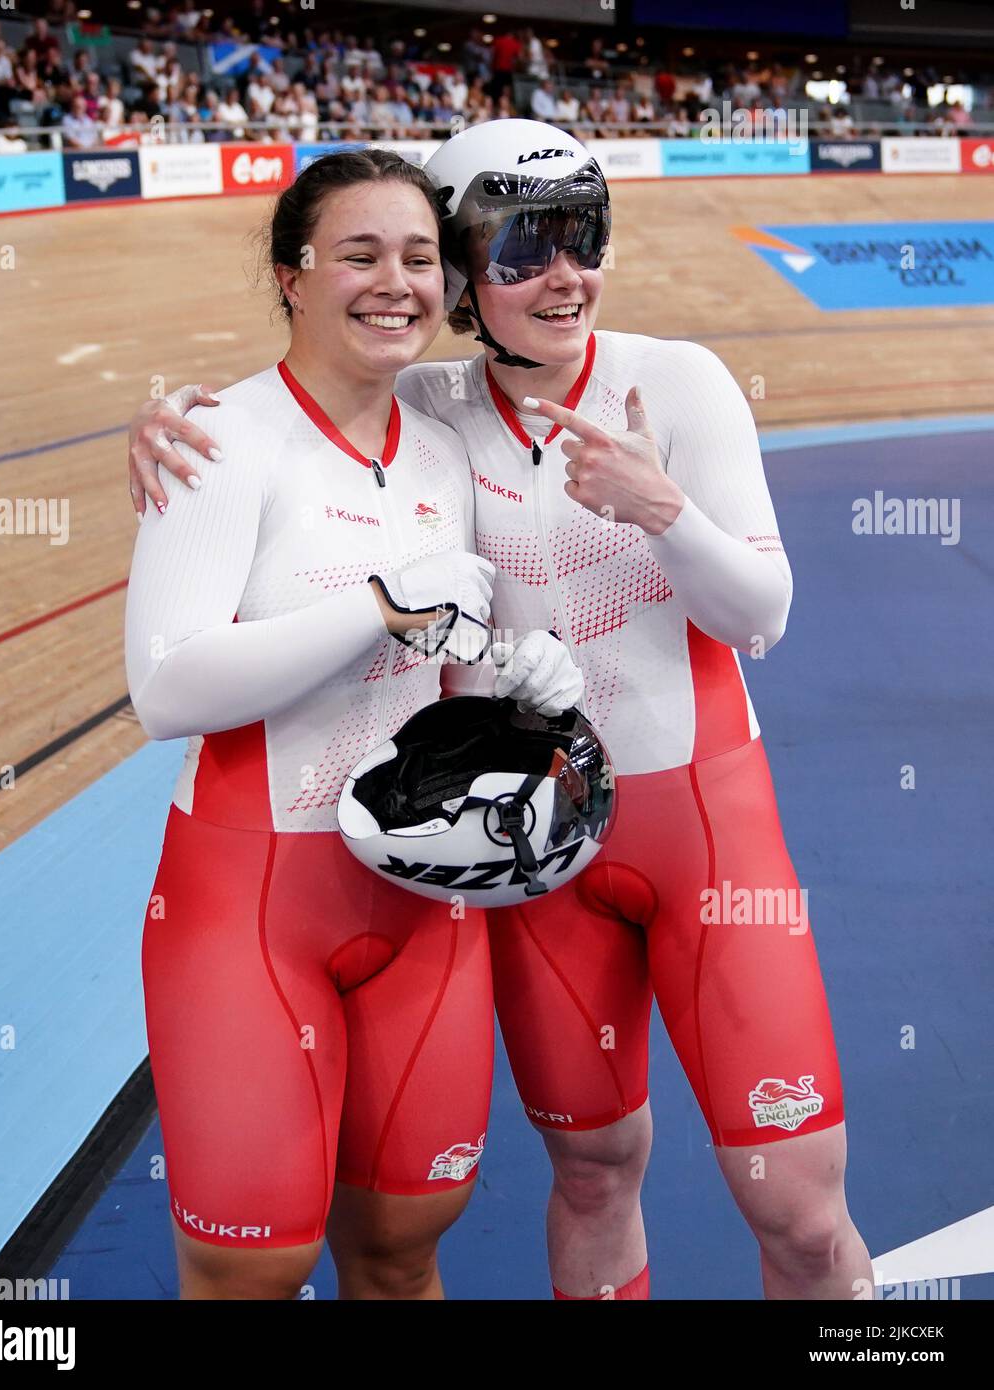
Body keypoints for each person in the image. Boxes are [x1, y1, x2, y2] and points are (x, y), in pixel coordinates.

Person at [125, 120, 873, 1302]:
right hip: (536, 856)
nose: (561, 272)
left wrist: (662, 510)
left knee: (800, 1214)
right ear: (469, 272)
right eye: (521, 246)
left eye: (584, 236)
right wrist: (173, 414)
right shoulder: (431, 406)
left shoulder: (673, 381)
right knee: (588, 1170)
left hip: (704, 834)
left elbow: (760, 616)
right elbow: (316, 376)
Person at [125, 146, 574, 1300]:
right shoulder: (218, 441)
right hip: (251, 908)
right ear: (290, 274)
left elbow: (452, 660)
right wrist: (375, 607)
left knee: (403, 1247)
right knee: (248, 1275)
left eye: (420, 258)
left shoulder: (441, 436)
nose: (396, 283)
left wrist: (518, 686)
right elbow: (166, 689)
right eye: (360, 255)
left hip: (424, 903)